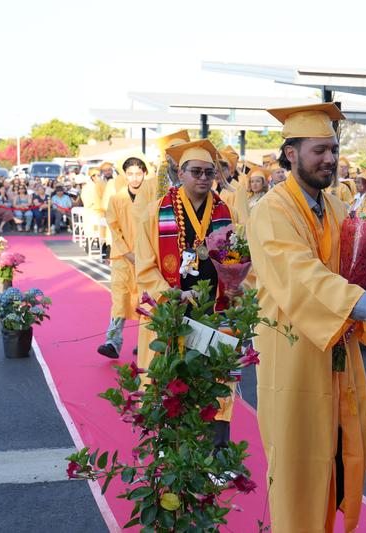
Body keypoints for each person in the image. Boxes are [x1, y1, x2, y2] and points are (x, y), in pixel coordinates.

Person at [247, 102, 366, 532]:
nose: (329, 159)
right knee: (298, 466)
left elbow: (350, 273)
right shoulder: (272, 210)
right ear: (291, 153)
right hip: (293, 353)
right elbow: (300, 276)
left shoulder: (337, 208)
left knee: (339, 456)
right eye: (319, 149)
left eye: (334, 150)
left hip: (336, 348)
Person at [135, 139, 240, 448]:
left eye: (210, 173)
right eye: (196, 172)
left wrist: (236, 291)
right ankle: (174, 449)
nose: (204, 178)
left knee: (217, 379)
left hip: (215, 310)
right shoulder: (156, 213)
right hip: (175, 312)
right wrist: (169, 294)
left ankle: (215, 449)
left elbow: (241, 258)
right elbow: (145, 266)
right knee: (174, 381)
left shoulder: (226, 211)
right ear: (180, 173)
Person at [98, 153, 148, 359]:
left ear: (145, 174)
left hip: (147, 257)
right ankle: (112, 342)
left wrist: (142, 253)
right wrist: (127, 252)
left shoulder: (152, 196)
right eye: (130, 174)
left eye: (138, 173)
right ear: (124, 176)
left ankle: (146, 341)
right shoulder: (117, 199)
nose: (135, 178)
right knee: (119, 299)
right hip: (122, 257)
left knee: (147, 300)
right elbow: (114, 227)